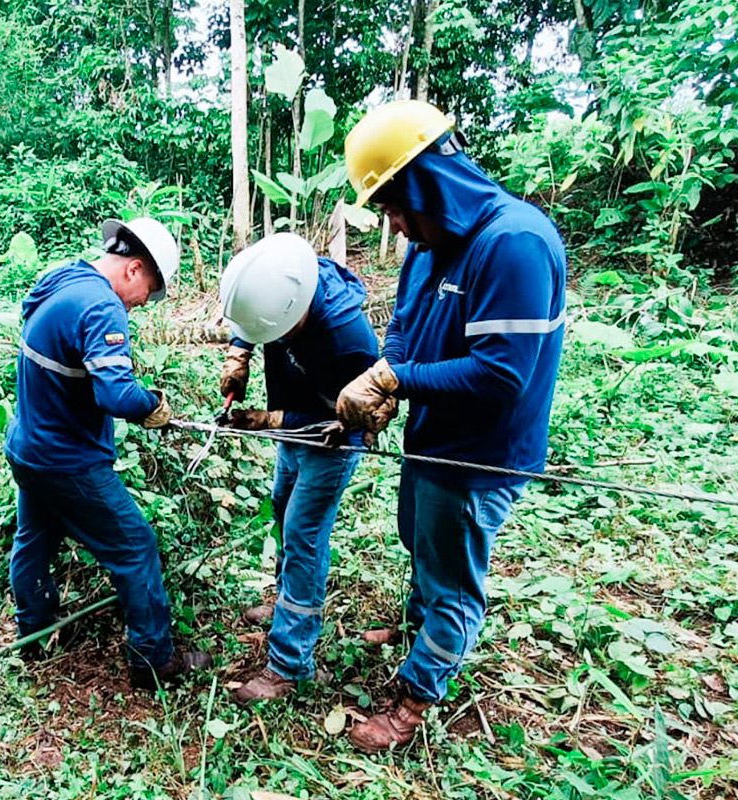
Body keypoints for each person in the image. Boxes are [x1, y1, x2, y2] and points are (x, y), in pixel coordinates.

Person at [335, 100, 567, 751]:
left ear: (429, 181)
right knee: (422, 541)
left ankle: (418, 693)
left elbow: (501, 376)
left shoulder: (512, 244)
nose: (396, 223)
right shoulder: (427, 247)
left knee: (454, 579)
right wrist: (385, 377)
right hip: (432, 441)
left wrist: (395, 382)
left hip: (479, 456)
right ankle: (419, 623)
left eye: (396, 204)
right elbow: (406, 334)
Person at [4, 217, 212, 689]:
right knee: (135, 546)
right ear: (135, 269)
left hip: (29, 446)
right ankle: (153, 661)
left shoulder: (64, 279)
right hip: (66, 459)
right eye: (148, 292)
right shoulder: (102, 306)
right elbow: (116, 395)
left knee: (34, 539)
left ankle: (31, 635)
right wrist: (153, 406)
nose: (141, 305)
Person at [216, 233, 384, 703]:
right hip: (294, 431)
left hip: (330, 440)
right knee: (283, 509)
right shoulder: (285, 279)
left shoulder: (347, 341)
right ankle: (285, 602)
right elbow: (253, 314)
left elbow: (346, 416)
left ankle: (290, 665)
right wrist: (240, 351)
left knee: (305, 535)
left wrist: (269, 420)